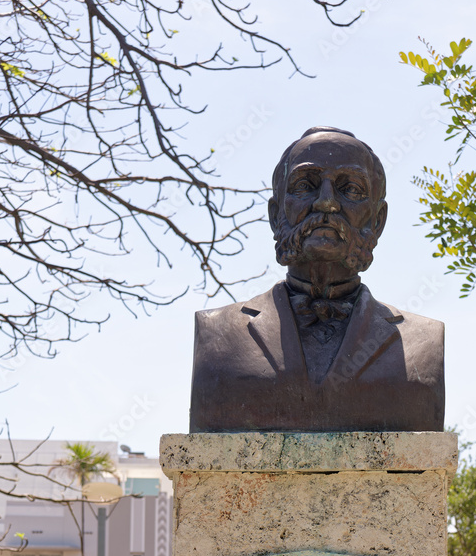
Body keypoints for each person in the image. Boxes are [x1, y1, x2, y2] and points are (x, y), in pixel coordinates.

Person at [190, 126, 445, 432]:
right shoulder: (218, 334)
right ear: (275, 215)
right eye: (305, 185)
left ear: (377, 222)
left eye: (350, 189)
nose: (326, 203)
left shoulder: (424, 341)